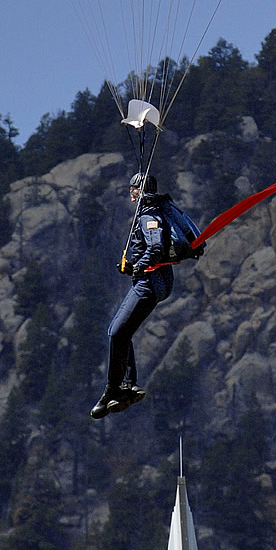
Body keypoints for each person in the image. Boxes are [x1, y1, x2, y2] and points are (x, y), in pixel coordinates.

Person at [91, 172, 174, 419]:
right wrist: (132, 266)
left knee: (116, 332)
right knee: (122, 332)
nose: (131, 197)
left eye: (133, 192)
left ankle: (114, 390)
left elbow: (156, 247)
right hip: (151, 282)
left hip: (149, 283)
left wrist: (139, 266)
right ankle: (127, 385)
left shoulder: (149, 215)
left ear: (141, 191)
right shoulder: (150, 213)